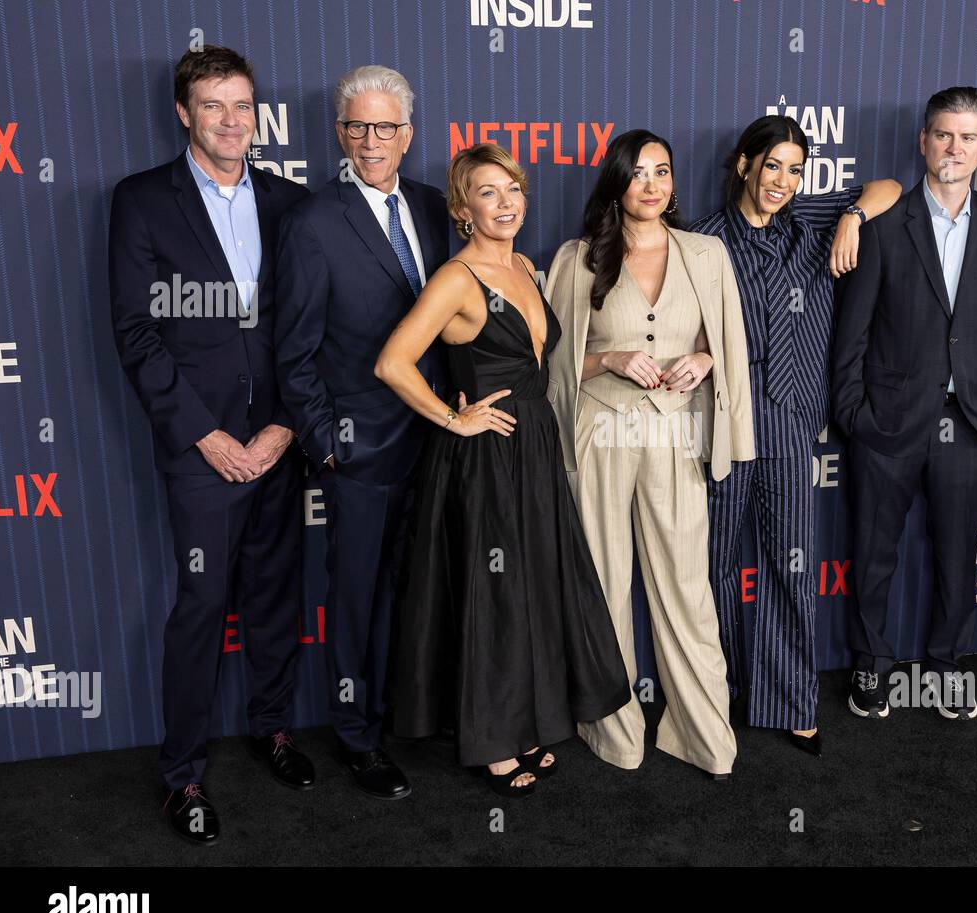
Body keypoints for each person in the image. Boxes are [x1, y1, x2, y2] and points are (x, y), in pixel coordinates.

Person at [377, 144, 630, 797]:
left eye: (513, 188)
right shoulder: (457, 279)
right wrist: (452, 417)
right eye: (488, 192)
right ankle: (490, 741)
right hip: (485, 457)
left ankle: (525, 723)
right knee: (494, 596)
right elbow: (393, 362)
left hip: (536, 444)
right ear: (463, 210)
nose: (507, 202)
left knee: (533, 591)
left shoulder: (523, 263)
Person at [108, 45, 312, 845]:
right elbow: (135, 332)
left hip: (281, 441)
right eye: (215, 105)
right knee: (201, 607)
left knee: (275, 596)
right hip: (203, 452)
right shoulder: (142, 202)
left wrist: (285, 427)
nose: (233, 120)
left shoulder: (292, 203)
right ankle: (183, 773)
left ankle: (272, 729)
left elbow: (311, 332)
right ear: (184, 114)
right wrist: (206, 435)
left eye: (243, 104)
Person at [546, 129, 755, 779]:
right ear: (616, 182)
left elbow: (729, 342)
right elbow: (550, 368)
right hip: (601, 433)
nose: (653, 184)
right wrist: (607, 358)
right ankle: (614, 730)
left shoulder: (707, 254)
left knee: (686, 590)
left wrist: (704, 358)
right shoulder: (578, 258)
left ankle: (699, 733)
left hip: (672, 434)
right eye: (638, 173)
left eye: (662, 172)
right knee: (605, 581)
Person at [691, 114, 901, 756]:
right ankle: (718, 698)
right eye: (771, 165)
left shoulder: (812, 223)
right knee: (718, 562)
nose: (781, 180)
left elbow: (890, 186)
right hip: (725, 413)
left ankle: (790, 701)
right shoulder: (701, 241)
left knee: (790, 559)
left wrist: (853, 218)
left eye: (793, 169)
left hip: (791, 414)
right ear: (743, 165)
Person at [275, 65, 448, 799]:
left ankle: (412, 713)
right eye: (356, 128)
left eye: (384, 128)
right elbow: (294, 350)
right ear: (339, 134)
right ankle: (355, 736)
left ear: (408, 135)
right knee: (355, 602)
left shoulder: (440, 208)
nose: (370, 142)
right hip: (360, 451)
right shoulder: (313, 222)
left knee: (419, 591)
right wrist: (327, 444)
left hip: (440, 442)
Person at [831, 87, 977, 722]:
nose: (954, 148)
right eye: (943, 135)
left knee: (956, 556)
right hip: (886, 422)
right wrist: (854, 415)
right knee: (874, 552)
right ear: (924, 140)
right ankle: (870, 665)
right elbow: (852, 330)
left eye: (968, 137)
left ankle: (948, 667)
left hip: (969, 425)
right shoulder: (882, 222)